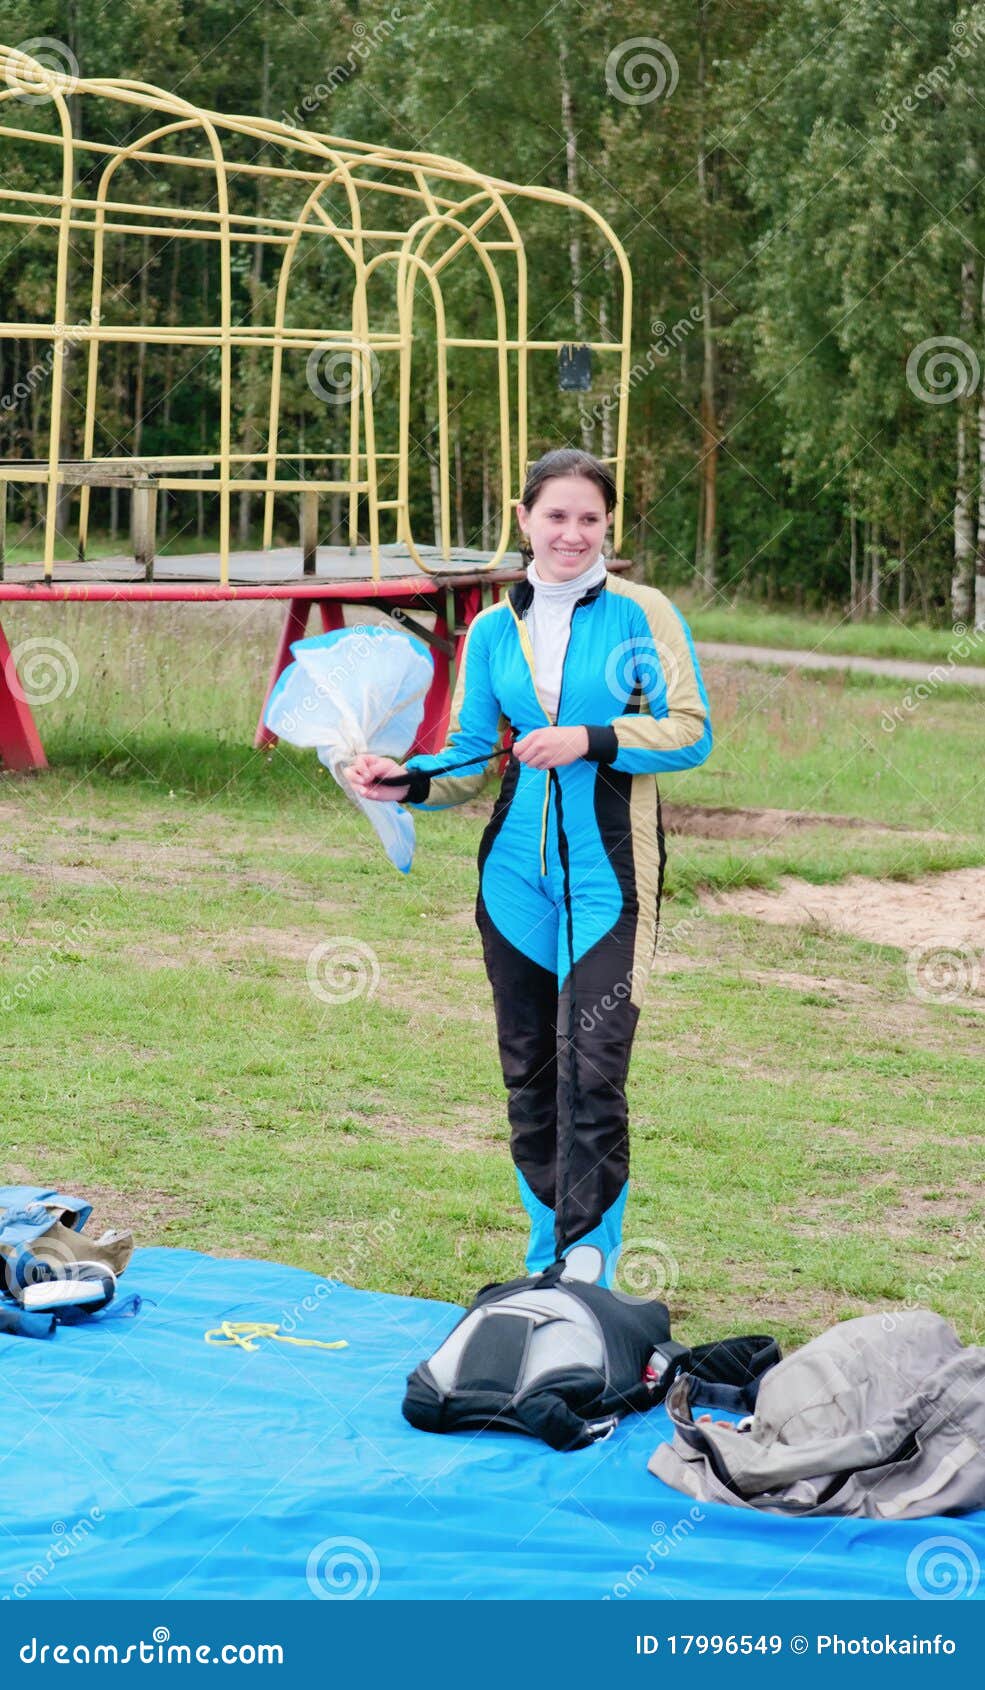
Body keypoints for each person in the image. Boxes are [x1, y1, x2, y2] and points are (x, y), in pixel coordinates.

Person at [347, 448, 712, 1285]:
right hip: (513, 878)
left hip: (610, 875)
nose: (572, 534)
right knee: (530, 1073)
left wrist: (591, 739)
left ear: (608, 525)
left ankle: (587, 1264)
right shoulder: (489, 629)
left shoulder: (642, 614)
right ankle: (545, 1256)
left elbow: (690, 731)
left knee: (593, 1065)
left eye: (590, 518)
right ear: (523, 519)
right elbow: (469, 753)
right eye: (556, 516)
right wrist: (405, 780)